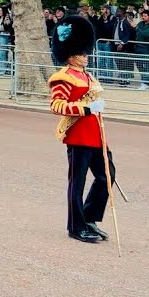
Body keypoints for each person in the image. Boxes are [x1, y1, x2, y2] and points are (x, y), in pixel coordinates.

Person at [48, 14, 115, 244]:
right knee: (76, 183)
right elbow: (57, 106)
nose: (86, 56)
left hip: (96, 135)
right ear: (70, 54)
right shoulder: (62, 77)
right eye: (82, 53)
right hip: (78, 136)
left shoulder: (87, 75)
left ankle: (89, 217)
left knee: (107, 176)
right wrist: (87, 108)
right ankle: (75, 226)